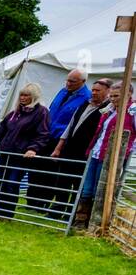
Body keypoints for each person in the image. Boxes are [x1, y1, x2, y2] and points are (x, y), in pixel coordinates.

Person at [0, 83, 52, 220]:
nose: (23, 98)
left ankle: (7, 214)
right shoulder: (14, 113)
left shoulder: (41, 112)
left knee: (12, 183)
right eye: (21, 95)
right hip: (7, 152)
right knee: (2, 182)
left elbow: (43, 134)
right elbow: (1, 131)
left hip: (21, 155)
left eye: (26, 95)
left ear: (34, 96)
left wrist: (33, 148)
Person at [51, 78, 112, 224]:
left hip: (86, 152)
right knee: (62, 180)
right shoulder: (85, 103)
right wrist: (58, 147)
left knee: (79, 183)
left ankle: (71, 213)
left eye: (98, 90)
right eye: (93, 89)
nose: (94, 92)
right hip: (69, 148)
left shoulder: (108, 109)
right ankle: (58, 209)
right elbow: (70, 126)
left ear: (108, 92)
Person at [36, 69, 93, 219]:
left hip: (66, 140)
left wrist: (61, 141)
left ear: (83, 82)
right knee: (48, 173)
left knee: (64, 176)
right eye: (67, 80)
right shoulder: (62, 91)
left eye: (72, 81)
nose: (68, 84)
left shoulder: (86, 97)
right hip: (49, 135)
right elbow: (52, 109)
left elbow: (75, 122)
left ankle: (66, 208)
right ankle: (44, 202)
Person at [76, 89, 135, 231]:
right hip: (97, 152)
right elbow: (101, 131)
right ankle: (80, 221)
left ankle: (95, 224)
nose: (113, 99)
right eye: (111, 96)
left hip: (113, 156)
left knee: (100, 189)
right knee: (87, 188)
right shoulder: (108, 110)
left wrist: (129, 149)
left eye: (116, 96)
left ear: (128, 95)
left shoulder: (132, 111)